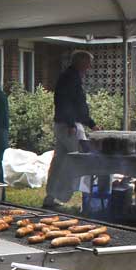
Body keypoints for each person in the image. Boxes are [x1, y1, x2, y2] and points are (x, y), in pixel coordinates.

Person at [44, 50, 99, 208]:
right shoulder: (70, 77)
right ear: (80, 62)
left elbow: (75, 103)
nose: (89, 67)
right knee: (79, 160)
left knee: (59, 160)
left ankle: (51, 197)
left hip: (65, 124)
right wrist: (70, 123)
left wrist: (90, 123)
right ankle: (72, 197)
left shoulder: (71, 76)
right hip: (69, 125)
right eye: (88, 63)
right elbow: (65, 101)